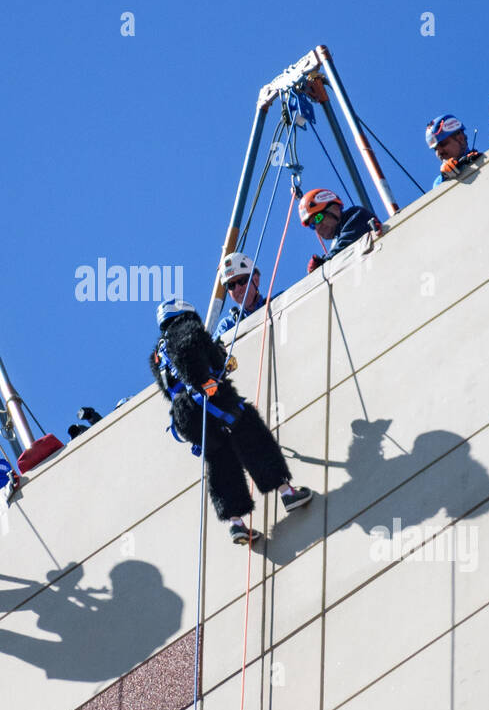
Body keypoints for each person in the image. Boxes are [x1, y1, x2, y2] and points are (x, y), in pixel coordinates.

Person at [150, 300, 312, 544]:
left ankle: (236, 522)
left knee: (220, 456)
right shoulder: (185, 329)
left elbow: (171, 384)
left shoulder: (158, 356)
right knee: (250, 430)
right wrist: (207, 372)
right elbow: (190, 351)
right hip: (208, 398)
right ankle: (286, 492)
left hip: (185, 416)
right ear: (185, 314)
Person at [298, 188, 382, 273]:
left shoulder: (356, 215)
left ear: (334, 208)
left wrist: (323, 262)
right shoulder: (336, 242)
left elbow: (347, 241)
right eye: (312, 225)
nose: (317, 226)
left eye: (318, 218)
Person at [214, 252, 267, 341]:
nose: (237, 288)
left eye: (242, 281)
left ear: (256, 280)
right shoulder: (227, 325)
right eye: (231, 285)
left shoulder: (279, 302)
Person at [425, 115, 482, 187]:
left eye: (443, 144)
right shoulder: (439, 183)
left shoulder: (481, 159)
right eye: (435, 149)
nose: (439, 152)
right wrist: (445, 178)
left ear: (460, 138)